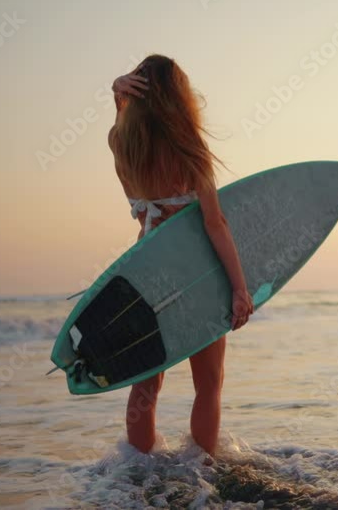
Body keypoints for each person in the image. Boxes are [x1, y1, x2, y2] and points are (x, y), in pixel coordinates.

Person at [107, 54, 254, 456]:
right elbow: (215, 224)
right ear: (178, 97)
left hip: (146, 272)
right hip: (195, 275)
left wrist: (116, 96)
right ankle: (202, 472)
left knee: (146, 382)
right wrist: (240, 289)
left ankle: (137, 469)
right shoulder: (191, 150)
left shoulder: (121, 144)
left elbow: (122, 126)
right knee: (208, 383)